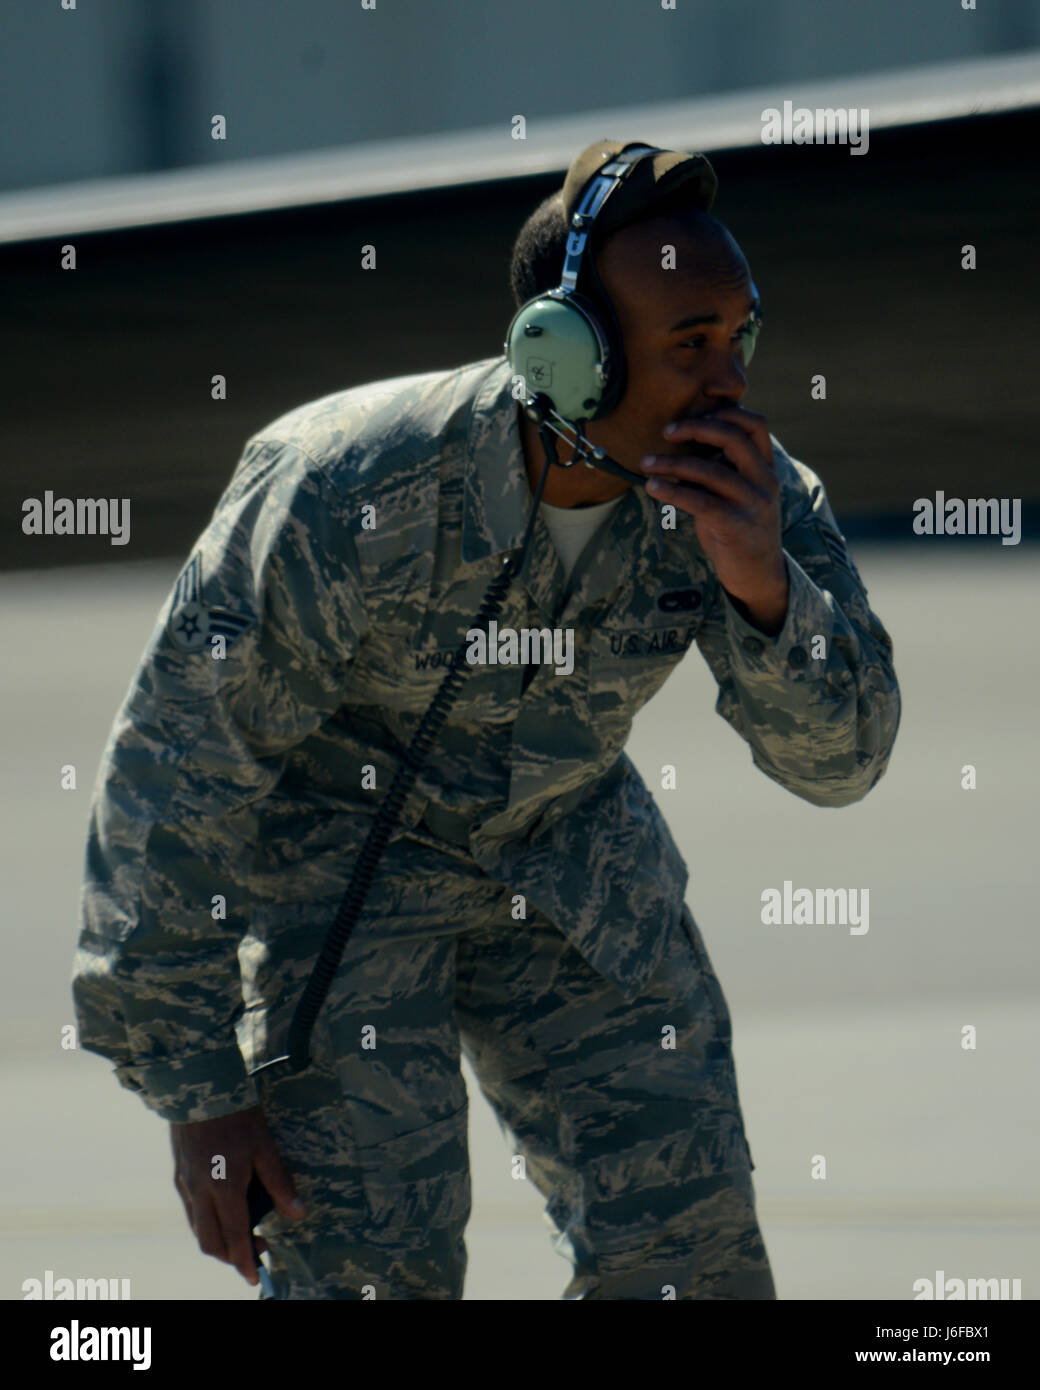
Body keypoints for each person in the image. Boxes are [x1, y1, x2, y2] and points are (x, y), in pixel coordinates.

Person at [72, 139, 901, 1300]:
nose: (730, 380)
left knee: (689, 1266)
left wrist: (763, 585)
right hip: (345, 873)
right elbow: (177, 775)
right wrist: (197, 1088)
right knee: (369, 1274)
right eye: (686, 345)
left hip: (566, 857)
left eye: (737, 337)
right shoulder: (342, 487)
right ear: (564, 358)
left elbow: (842, 764)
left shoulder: (748, 500)